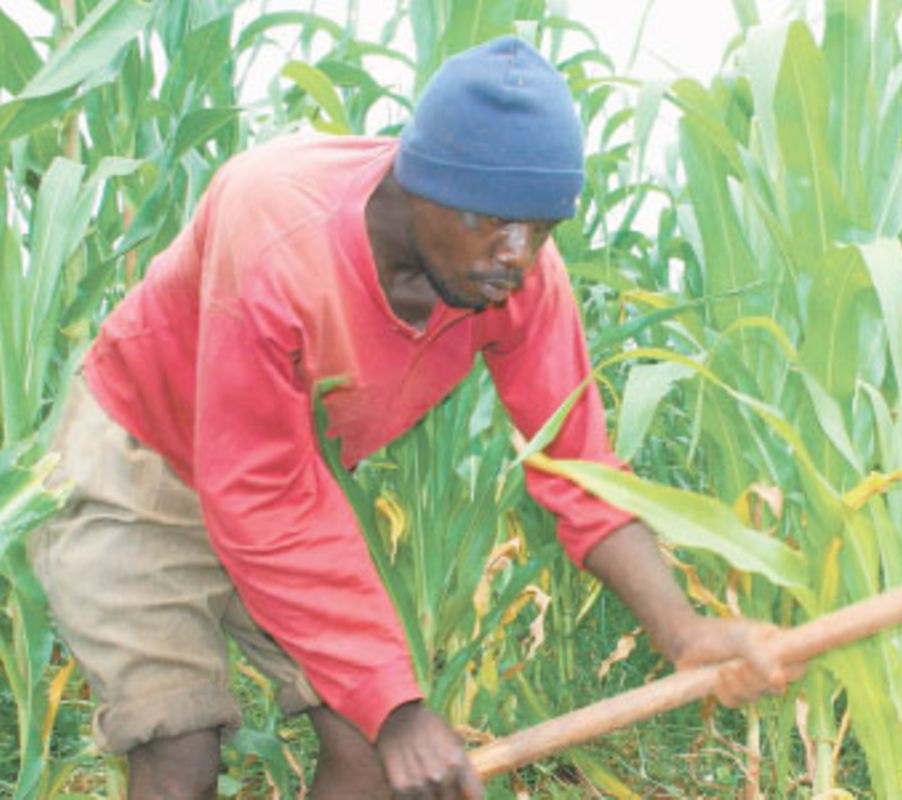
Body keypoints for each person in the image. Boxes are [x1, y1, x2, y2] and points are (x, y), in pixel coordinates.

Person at [30, 36, 789, 799]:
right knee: (178, 742)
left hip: (294, 486)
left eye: (544, 228)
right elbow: (253, 496)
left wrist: (682, 632)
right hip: (142, 466)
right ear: (421, 185)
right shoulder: (279, 239)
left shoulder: (514, 279)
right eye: (494, 221)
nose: (520, 255)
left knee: (371, 753)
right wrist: (395, 706)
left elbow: (579, 466)